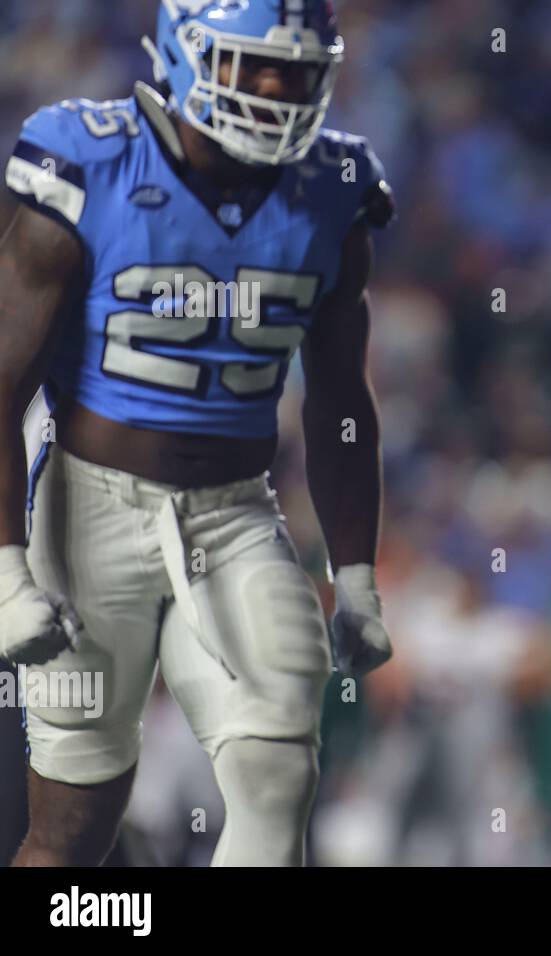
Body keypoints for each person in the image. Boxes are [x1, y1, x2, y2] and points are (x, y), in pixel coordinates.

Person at [0, 0, 393, 866]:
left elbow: (340, 403)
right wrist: (6, 570)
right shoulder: (90, 159)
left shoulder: (335, 190)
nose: (275, 89)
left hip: (235, 515)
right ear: (184, 54)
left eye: (295, 70)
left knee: (278, 763)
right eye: (252, 65)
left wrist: (355, 576)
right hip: (83, 510)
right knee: (73, 825)